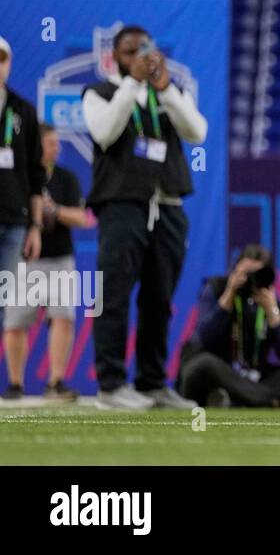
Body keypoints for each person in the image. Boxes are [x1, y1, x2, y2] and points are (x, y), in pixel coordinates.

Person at [82, 25, 207, 410]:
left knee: (159, 300)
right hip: (123, 206)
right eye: (128, 51)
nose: (138, 57)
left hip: (167, 207)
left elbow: (197, 132)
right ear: (114, 57)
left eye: (144, 50)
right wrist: (132, 84)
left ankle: (153, 382)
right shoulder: (99, 93)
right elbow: (104, 133)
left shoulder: (169, 93)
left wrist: (165, 89)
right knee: (113, 295)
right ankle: (111, 385)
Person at [4, 124, 93, 401]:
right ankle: (15, 384)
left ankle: (56, 381)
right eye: (52, 143)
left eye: (57, 143)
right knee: (15, 322)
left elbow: (83, 218)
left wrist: (53, 210)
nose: (58, 148)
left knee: (63, 318)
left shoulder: (66, 178)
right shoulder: (19, 177)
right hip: (25, 260)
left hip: (60, 258)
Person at [178, 245, 280, 408]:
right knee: (204, 363)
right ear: (234, 271)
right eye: (245, 274)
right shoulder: (217, 288)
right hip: (215, 371)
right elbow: (203, 339)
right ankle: (272, 399)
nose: (249, 280)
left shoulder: (271, 302)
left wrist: (272, 312)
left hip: (252, 375)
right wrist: (229, 296)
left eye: (256, 275)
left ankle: (235, 398)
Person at [0, 35, 46, 369]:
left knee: (3, 302)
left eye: (2, 59)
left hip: (15, 221)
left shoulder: (23, 110)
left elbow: (35, 172)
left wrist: (35, 225)